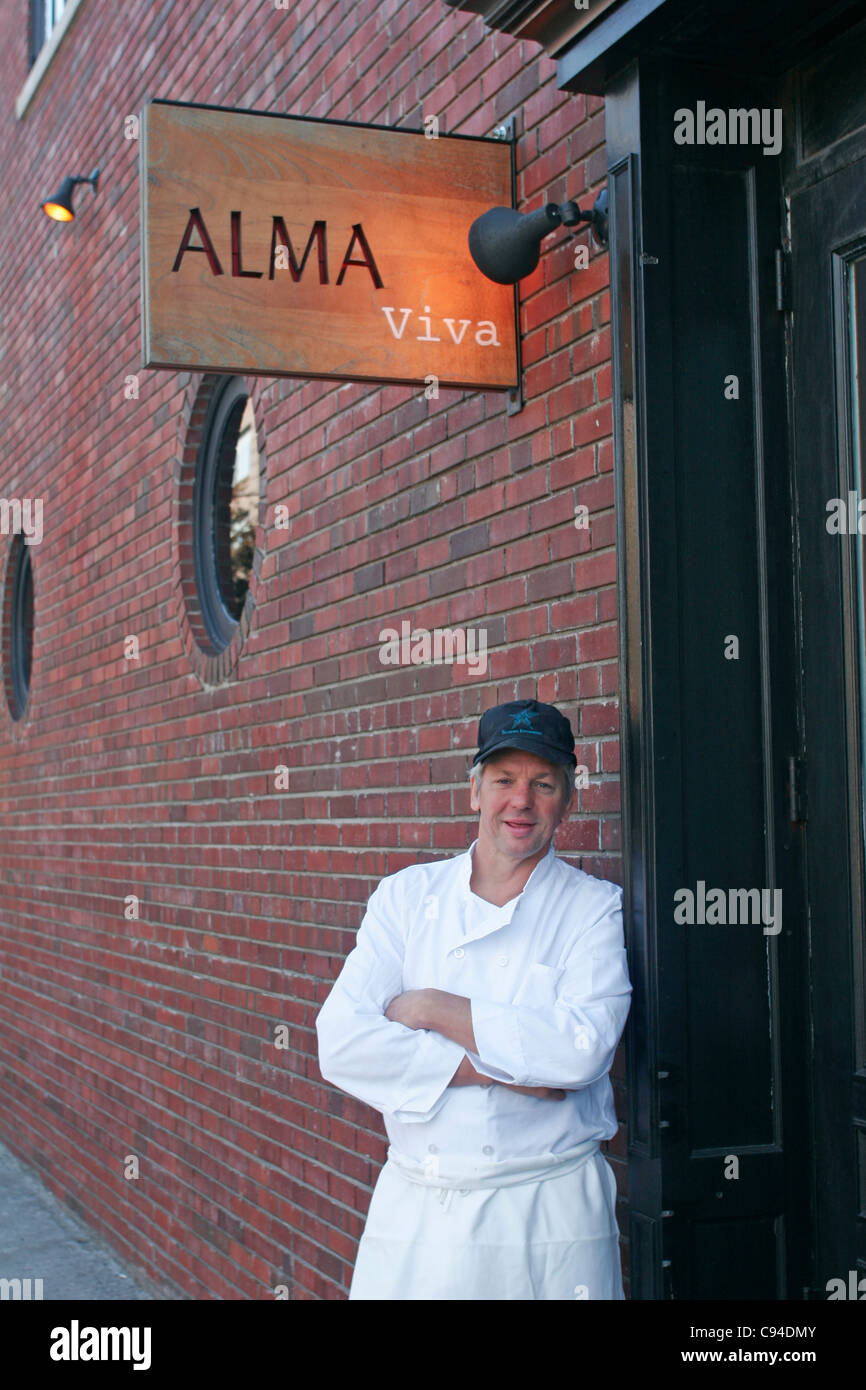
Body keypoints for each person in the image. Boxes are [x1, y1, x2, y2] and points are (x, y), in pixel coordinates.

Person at [315, 697, 632, 1300]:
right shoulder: (405, 898)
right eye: (504, 780)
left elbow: (579, 1054)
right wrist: (511, 1070)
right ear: (474, 791)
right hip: (419, 1212)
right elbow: (342, 1043)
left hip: (549, 1211)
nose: (522, 800)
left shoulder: (593, 908)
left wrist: (435, 1008)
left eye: (543, 783)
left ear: (568, 798)